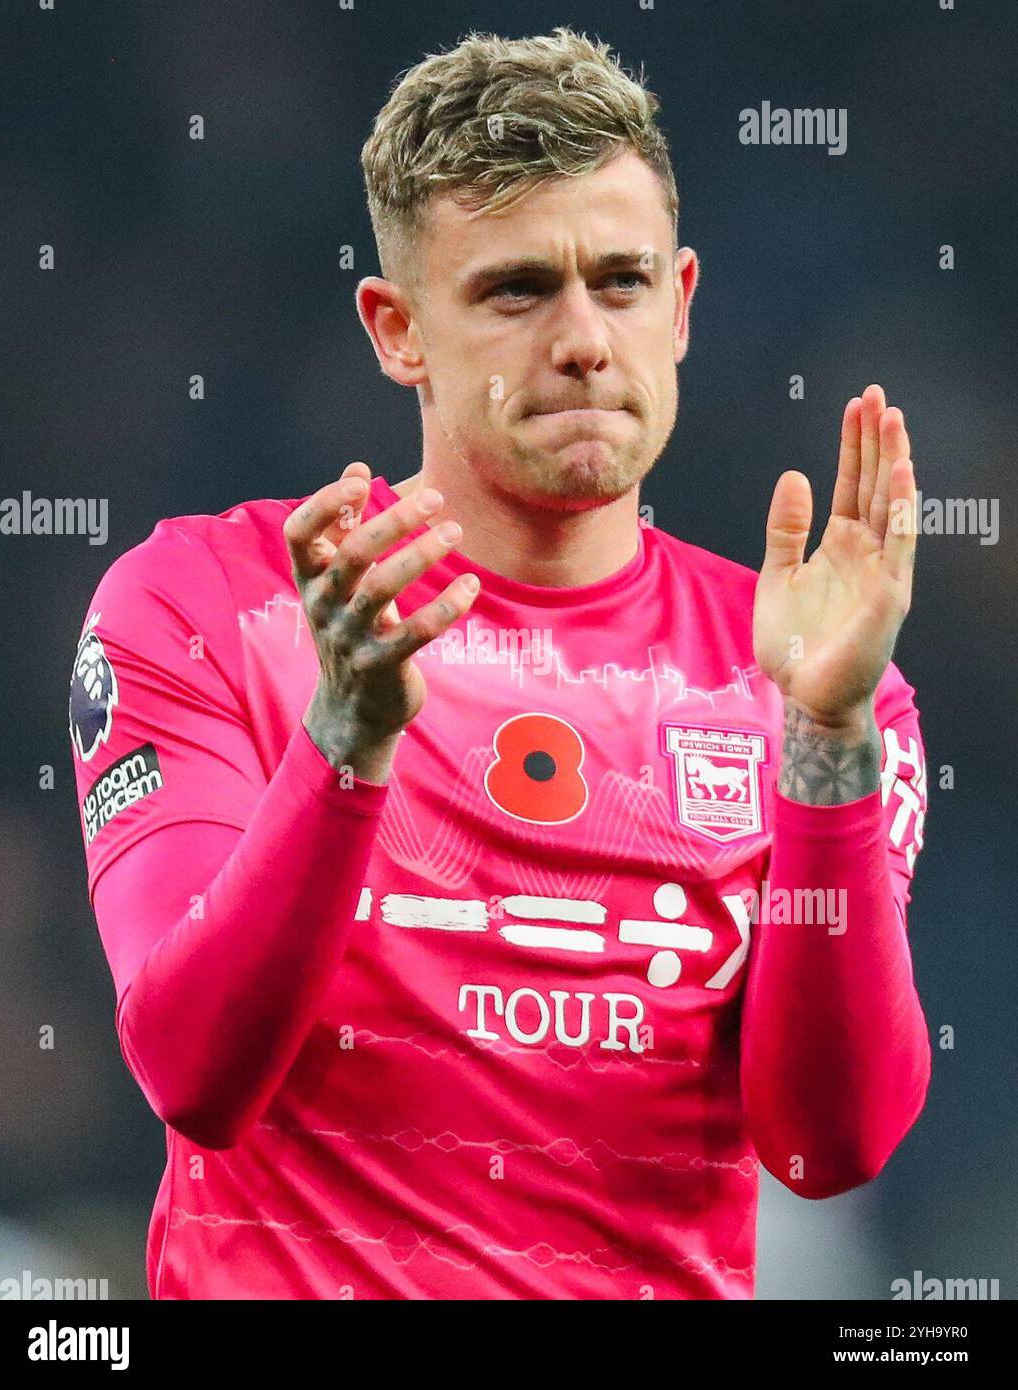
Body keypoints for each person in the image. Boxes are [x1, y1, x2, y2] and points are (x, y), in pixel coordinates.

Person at [68, 28, 929, 1299]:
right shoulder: (211, 605)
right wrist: (346, 742)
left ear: (682, 303)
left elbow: (827, 1144)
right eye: (516, 289)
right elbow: (193, 1076)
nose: (582, 338)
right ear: (396, 329)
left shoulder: (799, 671)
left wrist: (825, 737)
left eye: (622, 281)